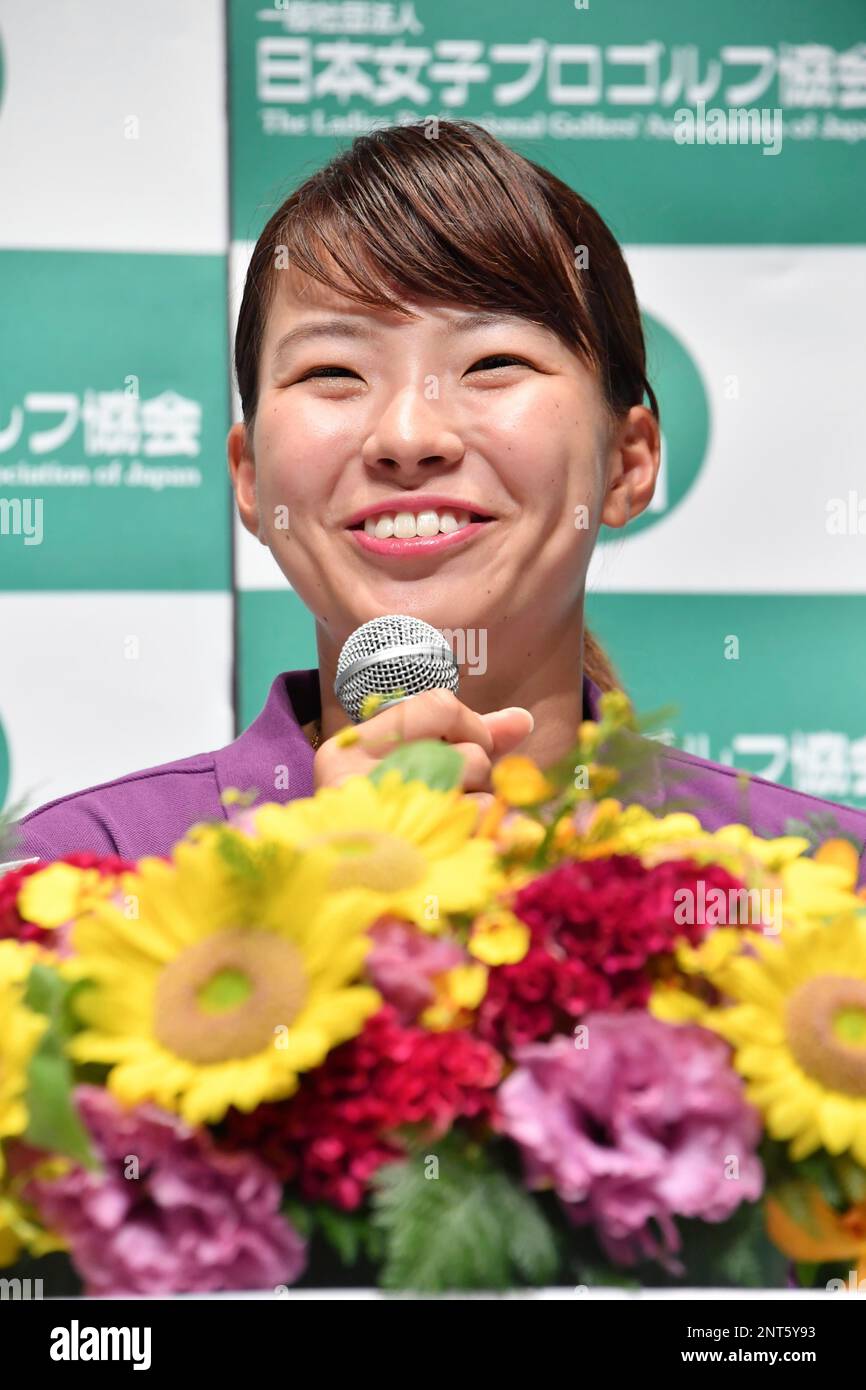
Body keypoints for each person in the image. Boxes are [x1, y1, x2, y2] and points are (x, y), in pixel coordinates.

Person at [10, 120, 866, 882]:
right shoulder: (84, 879)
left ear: (627, 463)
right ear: (251, 479)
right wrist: (301, 914)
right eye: (332, 373)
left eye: (492, 363)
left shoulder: (812, 884)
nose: (408, 434)